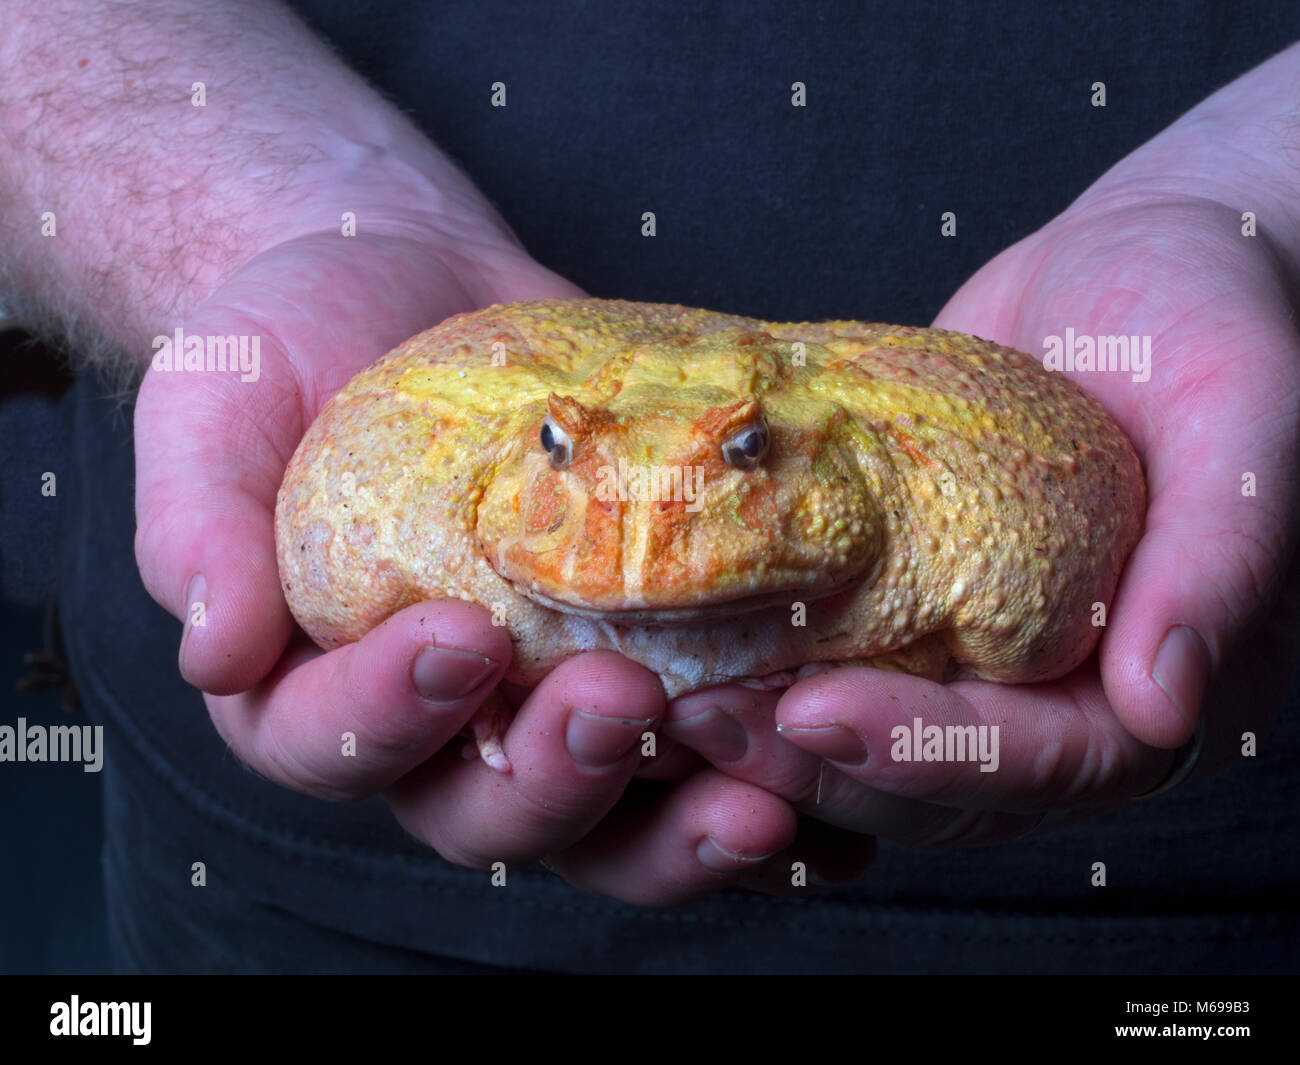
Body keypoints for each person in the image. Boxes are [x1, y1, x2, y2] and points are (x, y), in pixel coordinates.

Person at [3, 0, 1298, 971]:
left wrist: (1256, 207)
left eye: (734, 466)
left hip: (1207, 884)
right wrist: (272, 216)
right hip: (300, 880)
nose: (646, 543)